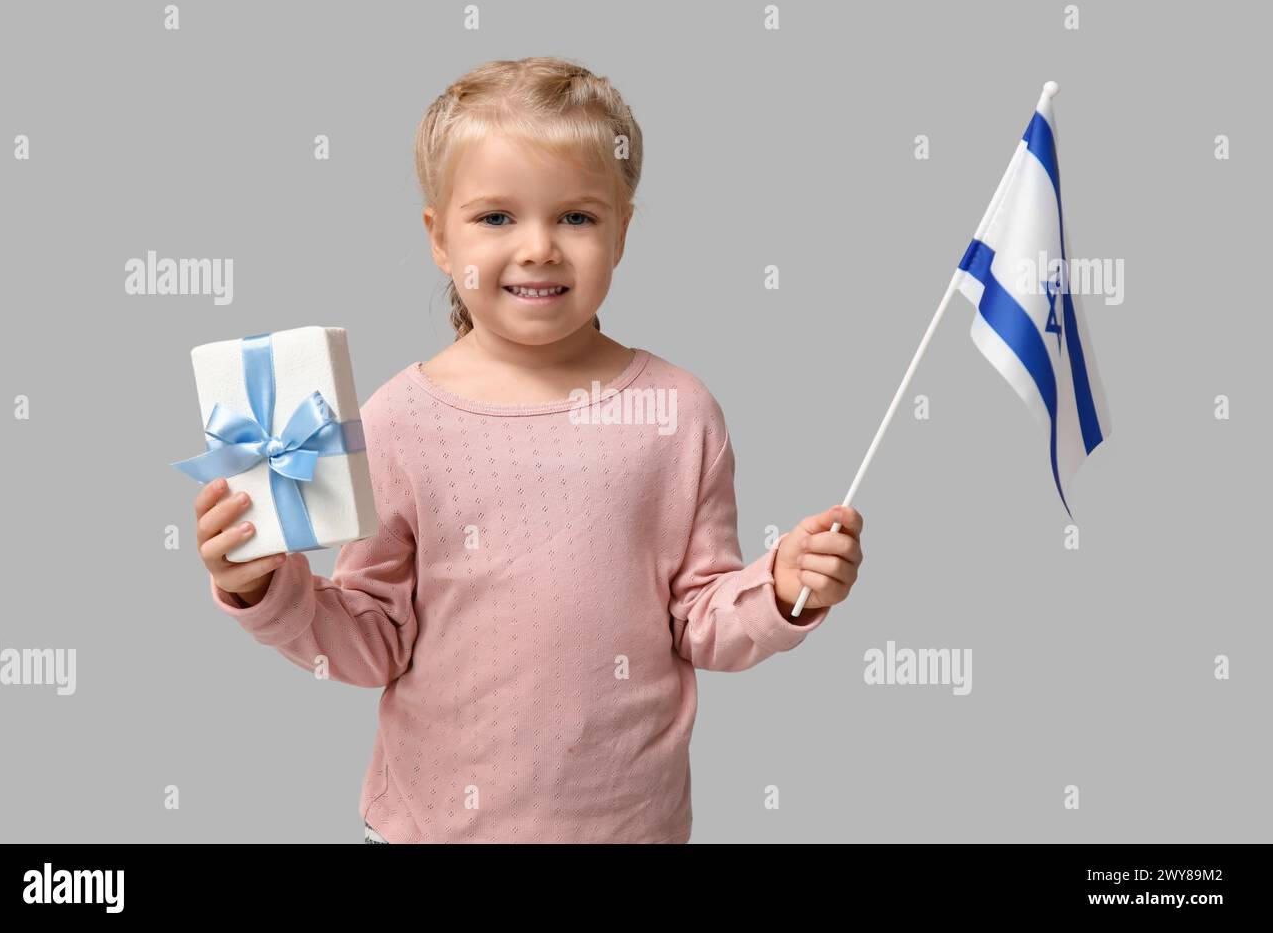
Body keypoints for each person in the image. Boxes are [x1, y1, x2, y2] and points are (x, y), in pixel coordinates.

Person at [194, 57, 865, 843]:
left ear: (621, 230)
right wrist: (263, 589)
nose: (540, 247)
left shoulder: (678, 415)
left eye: (577, 217)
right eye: (497, 218)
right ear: (438, 237)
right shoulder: (395, 422)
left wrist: (782, 588)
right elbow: (373, 638)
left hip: (629, 828)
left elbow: (702, 620)